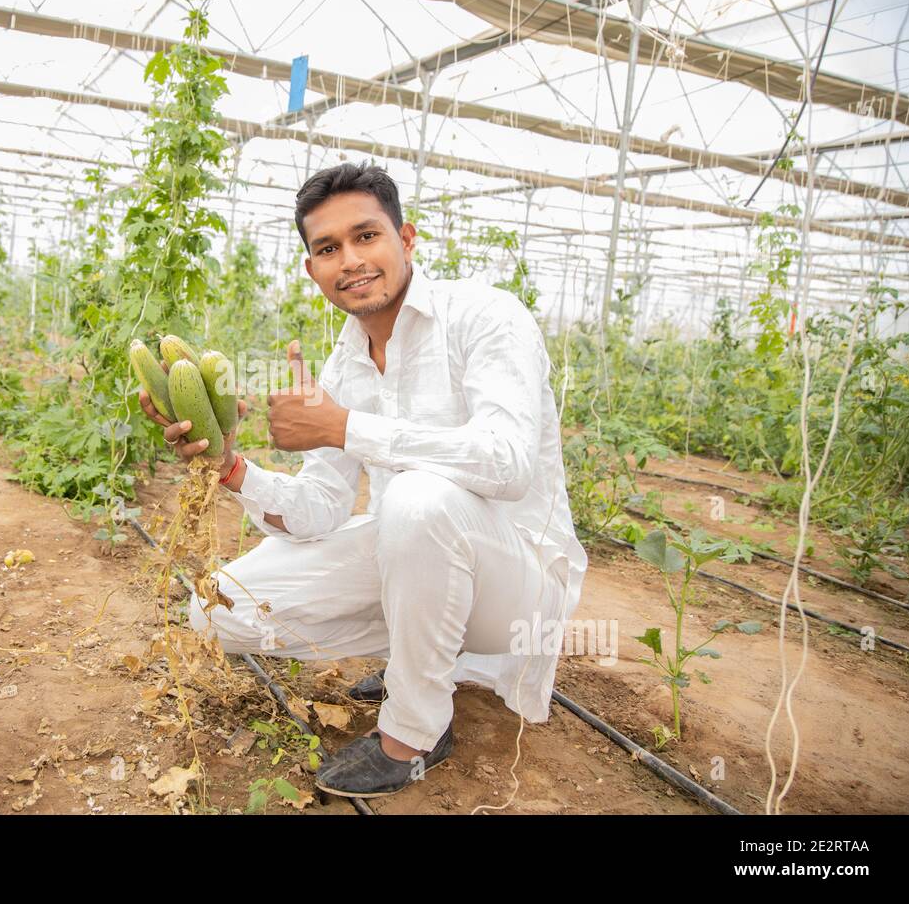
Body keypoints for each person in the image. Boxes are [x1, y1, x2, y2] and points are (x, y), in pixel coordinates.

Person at [137, 161, 587, 799]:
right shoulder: (346, 362)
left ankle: (413, 731)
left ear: (406, 240)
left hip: (518, 591)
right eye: (327, 248)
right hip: (423, 558)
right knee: (222, 611)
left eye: (366, 236)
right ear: (311, 268)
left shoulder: (488, 316)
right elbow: (321, 506)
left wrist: (344, 426)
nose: (349, 259)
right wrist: (230, 468)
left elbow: (507, 462)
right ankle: (420, 663)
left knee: (416, 498)